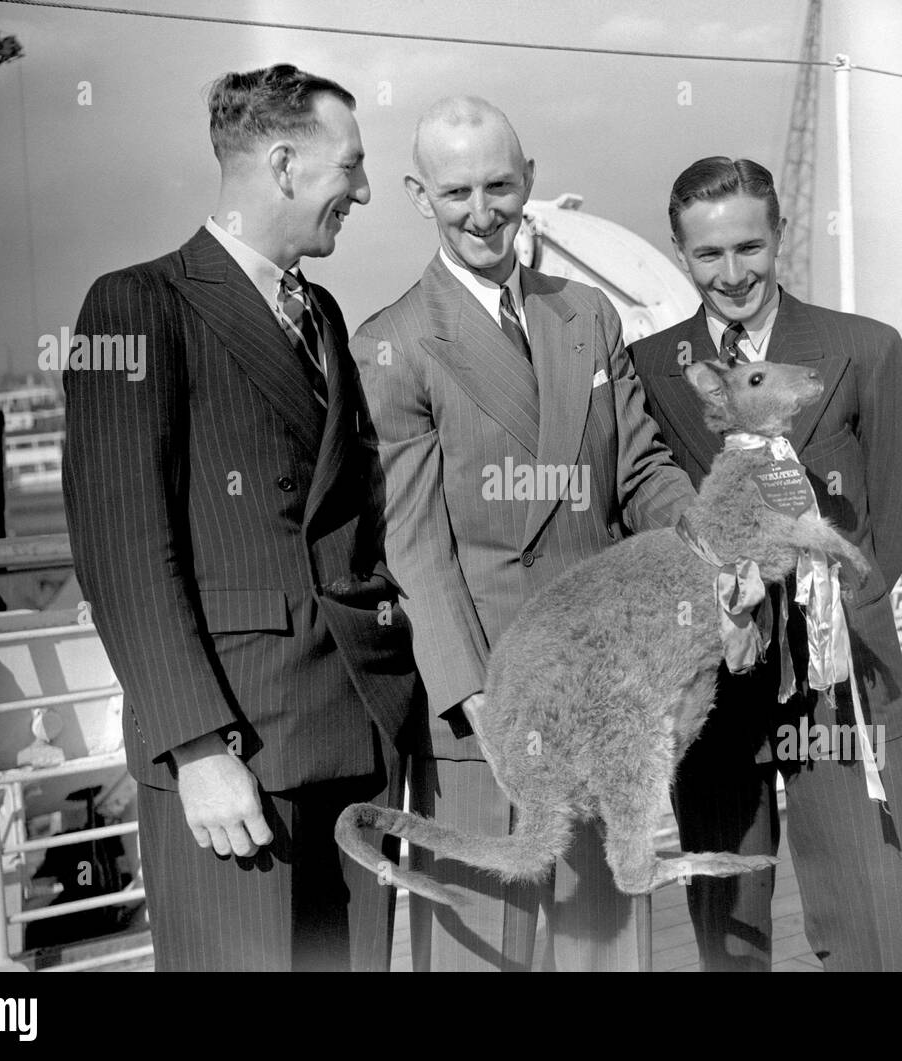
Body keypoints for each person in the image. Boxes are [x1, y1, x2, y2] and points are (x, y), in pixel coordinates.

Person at [62, 65, 420, 972]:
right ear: (288, 163)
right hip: (240, 759)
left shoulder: (322, 312)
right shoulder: (139, 305)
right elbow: (124, 550)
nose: (366, 191)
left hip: (355, 736)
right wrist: (195, 749)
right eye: (353, 166)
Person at [350, 96, 695, 971]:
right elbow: (414, 544)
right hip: (486, 694)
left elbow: (641, 472)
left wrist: (704, 530)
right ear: (417, 194)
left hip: (603, 676)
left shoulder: (588, 314)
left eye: (500, 185)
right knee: (480, 942)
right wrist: (477, 699)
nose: (481, 211)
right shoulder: (394, 344)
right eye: (455, 190)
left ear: (529, 180)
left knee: (606, 938)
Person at [628, 156, 902, 971]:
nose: (733, 274)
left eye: (749, 247)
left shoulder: (865, 350)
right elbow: (638, 502)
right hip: (716, 681)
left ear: (781, 234)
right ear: (680, 252)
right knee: (730, 932)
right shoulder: (648, 371)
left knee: (880, 922)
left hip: (840, 683)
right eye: (708, 255)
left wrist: (824, 612)